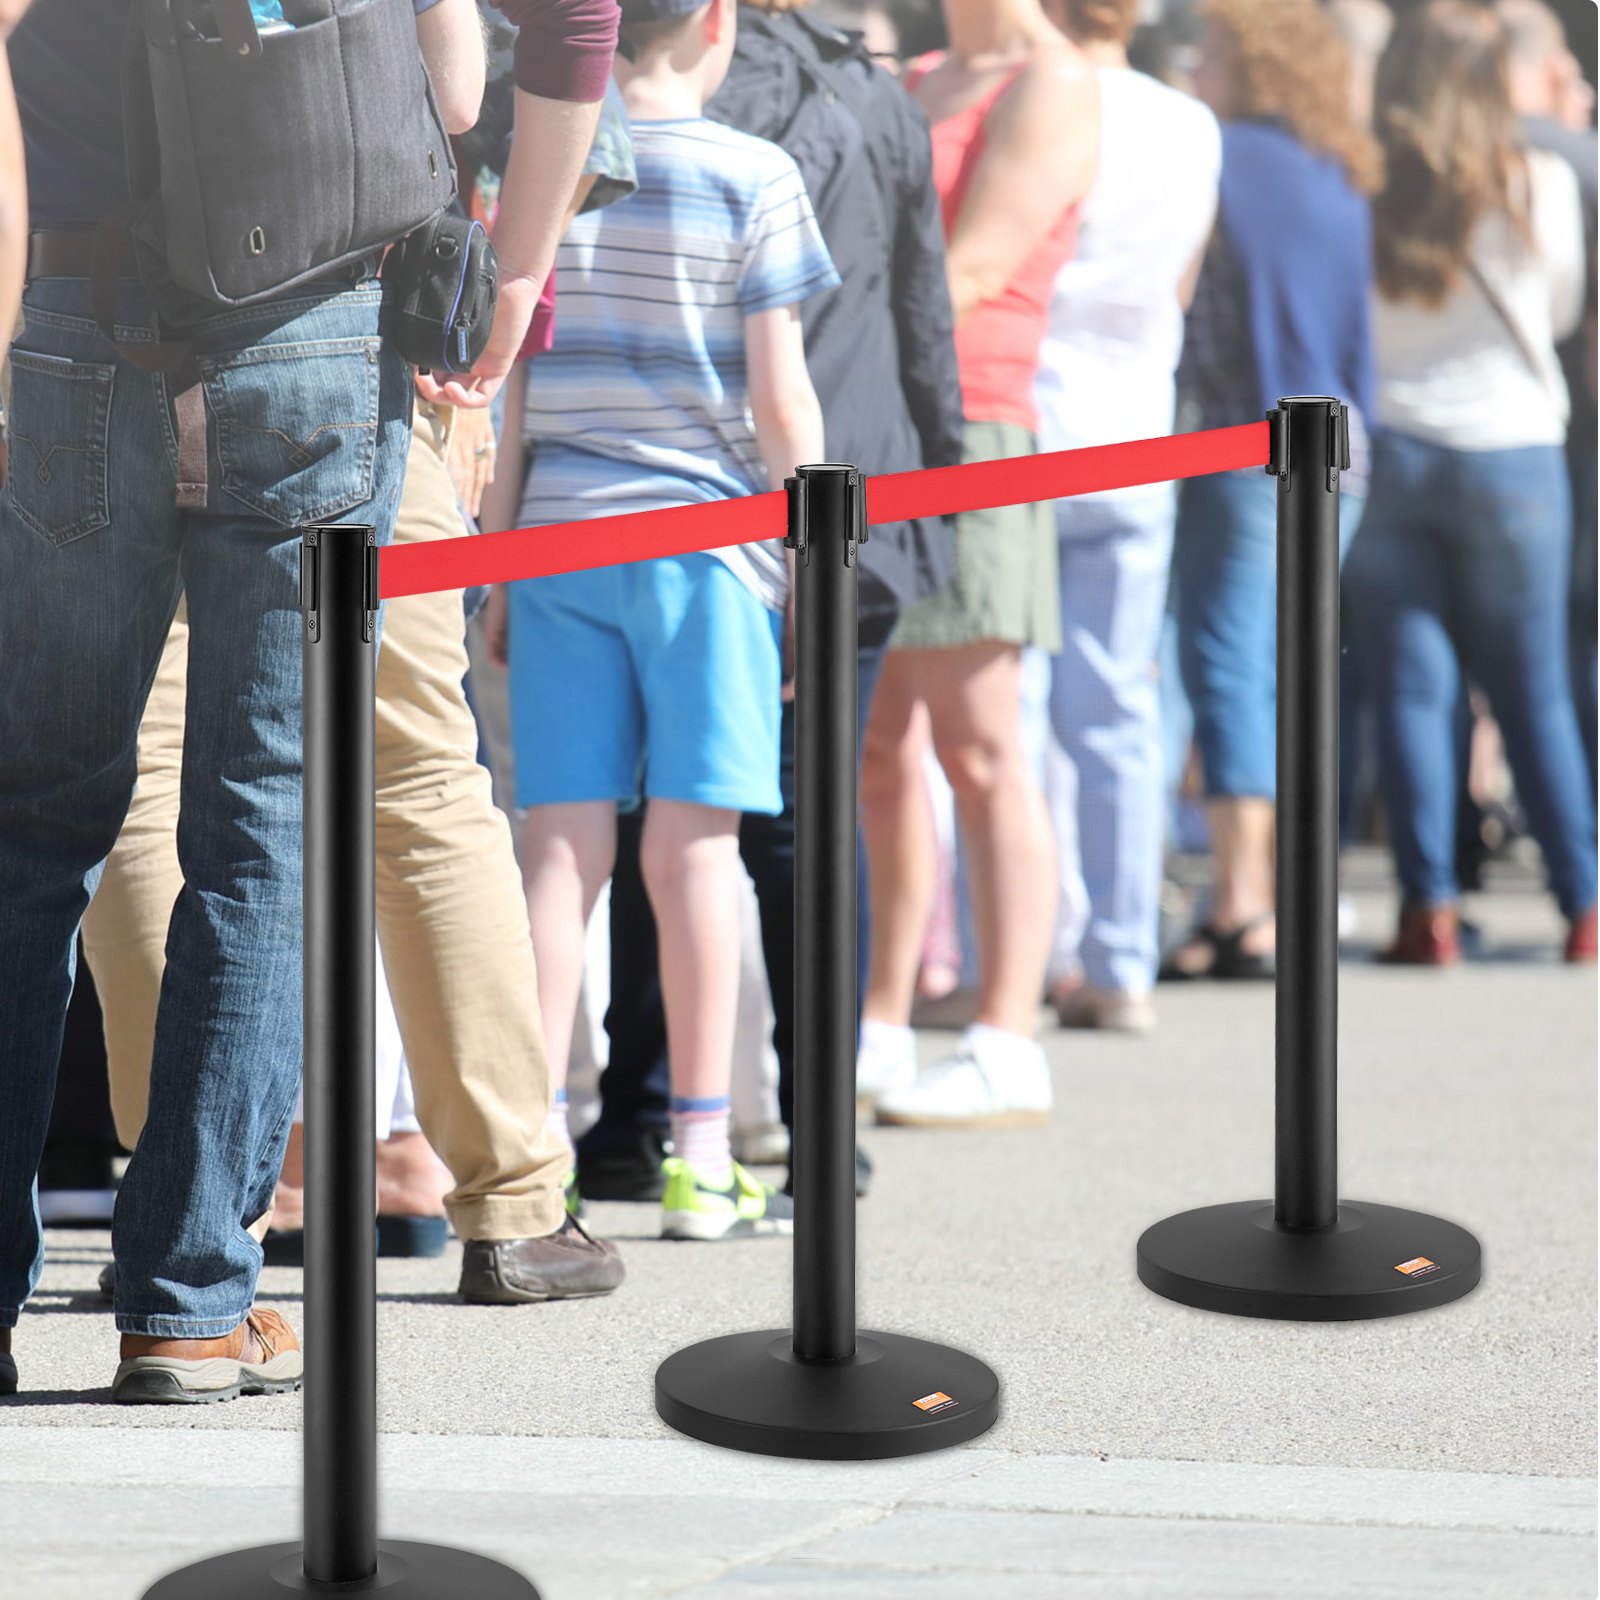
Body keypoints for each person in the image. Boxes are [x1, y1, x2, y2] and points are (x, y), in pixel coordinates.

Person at [0, 0, 618, 1405]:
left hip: (72, 310)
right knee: (265, 814)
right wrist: (510, 274)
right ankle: (191, 1306)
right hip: (314, 321)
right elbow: (460, 89)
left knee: (36, 827)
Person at [570, 0, 964, 1203]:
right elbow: (922, 316)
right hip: (853, 496)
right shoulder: (876, 92)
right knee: (800, 821)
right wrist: (932, 503)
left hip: (693, 506)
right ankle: (816, 1121)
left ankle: (637, 1113)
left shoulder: (673, 95)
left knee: (654, 810)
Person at [482, 0, 838, 1239]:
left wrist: (496, 557)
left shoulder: (553, 165)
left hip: (560, 530)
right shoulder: (757, 174)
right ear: (718, 27)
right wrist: (807, 557)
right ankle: (699, 1148)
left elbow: (512, 383)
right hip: (710, 546)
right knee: (695, 849)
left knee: (556, 848)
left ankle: (526, 1153)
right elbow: (784, 398)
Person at [857, 0, 1099, 1129]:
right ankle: (882, 1021)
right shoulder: (926, 72)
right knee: (877, 745)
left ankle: (1008, 1037)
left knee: (982, 742)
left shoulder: (1051, 80)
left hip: (975, 426)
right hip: (883, 428)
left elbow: (973, 270)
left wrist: (828, 352)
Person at [1345, 0, 1596, 966]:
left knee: (1412, 686)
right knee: (1534, 687)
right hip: (1515, 453)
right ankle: (1583, 905)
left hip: (1394, 448)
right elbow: (1565, 306)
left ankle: (1429, 910)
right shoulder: (1534, 178)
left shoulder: (1364, 181)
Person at [1163, 0, 1380, 982]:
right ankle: (1267, 892)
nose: (1195, 63)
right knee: (1287, 670)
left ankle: (1245, 899)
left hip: (1245, 440)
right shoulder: (1339, 170)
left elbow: (1195, 321)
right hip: (1341, 445)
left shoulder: (1220, 162)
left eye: (1210, 49)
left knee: (1228, 668)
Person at [1033, 0, 1219, 1035]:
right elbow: (1180, 282)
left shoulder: (1044, 97)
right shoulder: (1188, 120)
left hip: (1039, 412)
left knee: (1017, 711)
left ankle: (1031, 949)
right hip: (1138, 421)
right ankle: (1121, 955)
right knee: (1117, 711)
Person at [1498, 0, 1598, 790]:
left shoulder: (1421, 156)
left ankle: (1438, 880)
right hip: (1551, 430)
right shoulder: (1571, 162)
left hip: (1510, 429)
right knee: (1561, 653)